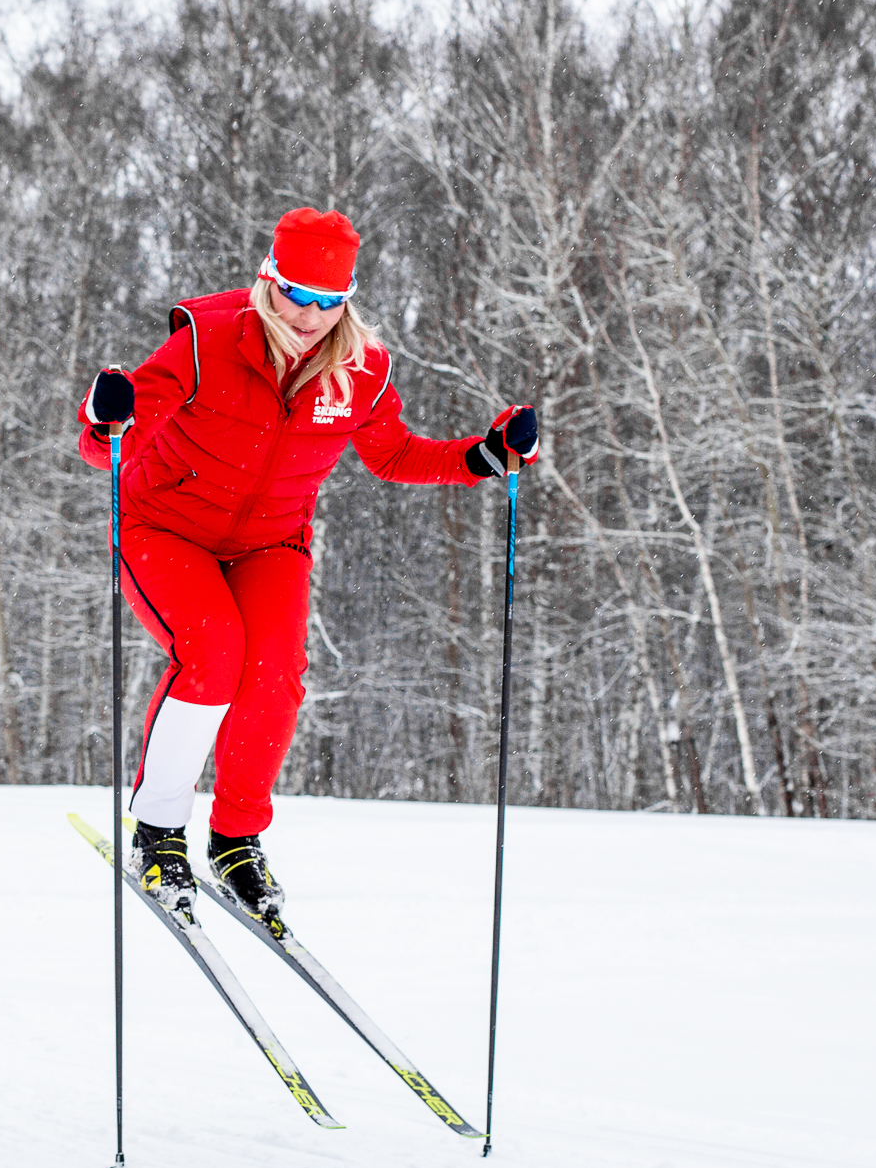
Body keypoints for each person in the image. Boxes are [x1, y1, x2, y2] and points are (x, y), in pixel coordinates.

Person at [75, 207, 533, 933]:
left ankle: (235, 839)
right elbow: (109, 445)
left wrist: (483, 455)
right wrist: (107, 418)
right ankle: (158, 832)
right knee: (213, 654)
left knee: (276, 672)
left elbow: (393, 454)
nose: (309, 316)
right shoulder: (205, 340)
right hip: (163, 526)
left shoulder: (362, 371)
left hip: (269, 542)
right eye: (295, 295)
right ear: (268, 281)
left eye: (328, 302)